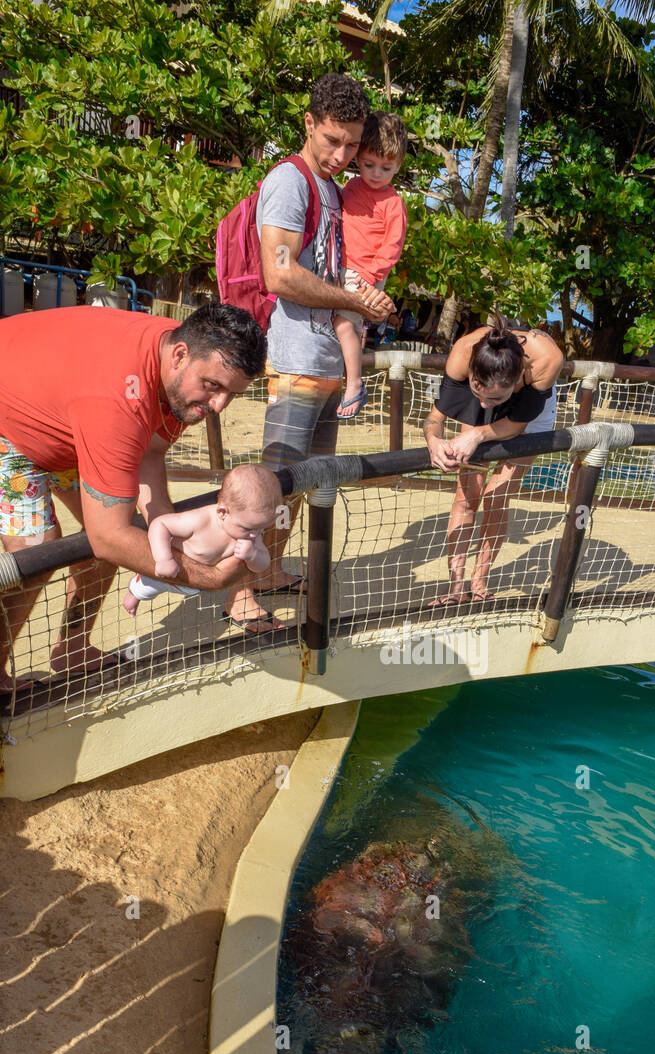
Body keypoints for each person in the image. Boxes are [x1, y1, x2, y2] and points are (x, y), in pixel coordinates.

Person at [0, 302, 266, 705]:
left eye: (232, 392)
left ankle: (71, 647)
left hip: (63, 420)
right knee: (37, 549)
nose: (218, 406)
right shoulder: (120, 398)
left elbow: (151, 454)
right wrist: (206, 578)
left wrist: (168, 531)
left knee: (122, 524)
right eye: (214, 386)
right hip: (10, 425)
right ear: (180, 355)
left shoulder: (178, 372)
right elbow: (109, 538)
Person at [226, 72, 396, 635]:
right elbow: (279, 274)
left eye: (352, 144)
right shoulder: (289, 181)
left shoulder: (330, 187)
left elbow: (336, 268)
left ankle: (270, 571)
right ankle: (240, 593)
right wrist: (352, 299)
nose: (343, 155)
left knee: (299, 483)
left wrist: (364, 297)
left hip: (325, 359)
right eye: (332, 141)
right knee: (271, 482)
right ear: (308, 124)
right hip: (296, 357)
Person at [423, 313, 564, 605]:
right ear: (472, 375)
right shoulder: (463, 352)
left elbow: (516, 424)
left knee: (497, 495)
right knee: (467, 494)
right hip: (490, 385)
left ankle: (480, 581)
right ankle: (455, 587)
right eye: (478, 392)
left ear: (514, 384)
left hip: (531, 404)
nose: (486, 405)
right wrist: (433, 441)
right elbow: (434, 419)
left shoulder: (546, 360)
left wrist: (476, 435)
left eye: (495, 401)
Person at [123, 464, 282, 619]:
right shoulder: (199, 521)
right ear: (222, 512)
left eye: (261, 529)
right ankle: (133, 593)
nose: (255, 535)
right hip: (171, 572)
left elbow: (262, 565)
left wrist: (253, 555)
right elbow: (160, 524)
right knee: (145, 589)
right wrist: (164, 558)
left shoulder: (251, 533)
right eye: (248, 528)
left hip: (200, 582)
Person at [332, 111, 408, 419]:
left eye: (386, 168)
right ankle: (342, 379)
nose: (376, 173)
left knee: (343, 324)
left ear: (398, 165)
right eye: (368, 164)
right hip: (342, 269)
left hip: (366, 275)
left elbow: (393, 247)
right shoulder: (348, 188)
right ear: (358, 158)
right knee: (337, 325)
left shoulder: (394, 204)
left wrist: (369, 278)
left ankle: (354, 385)